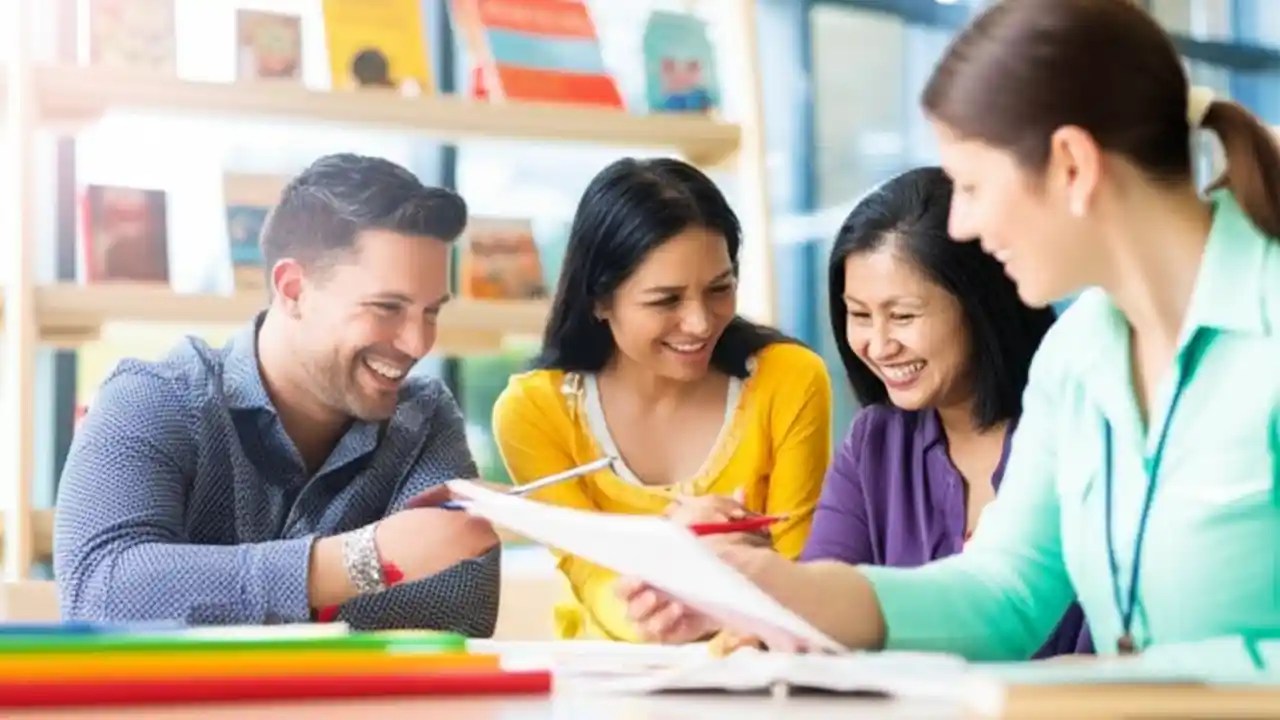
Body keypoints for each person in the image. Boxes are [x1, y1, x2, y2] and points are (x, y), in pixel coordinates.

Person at [620, 0, 1280, 665]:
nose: (960, 225)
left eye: (970, 184)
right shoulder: (1077, 359)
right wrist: (768, 587)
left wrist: (1124, 688)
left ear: (1072, 166)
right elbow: (1005, 593)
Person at [55, 153, 501, 632]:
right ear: (293, 290)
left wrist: (199, 595)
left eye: (431, 312)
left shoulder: (424, 418)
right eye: (386, 307)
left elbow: (460, 605)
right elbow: (102, 593)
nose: (418, 343)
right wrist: (364, 559)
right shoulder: (152, 399)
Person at [492, 157, 833, 642]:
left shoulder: (790, 379)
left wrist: (719, 598)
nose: (699, 322)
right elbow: (593, 577)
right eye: (666, 300)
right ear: (599, 300)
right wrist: (682, 556)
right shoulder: (535, 412)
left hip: (763, 674)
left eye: (720, 288)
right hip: (610, 683)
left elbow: (803, 575)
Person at [800, 165, 1091, 659]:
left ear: (982, 304)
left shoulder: (1074, 424)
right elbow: (817, 617)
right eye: (859, 314)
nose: (878, 344)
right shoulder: (875, 443)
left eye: (903, 316)